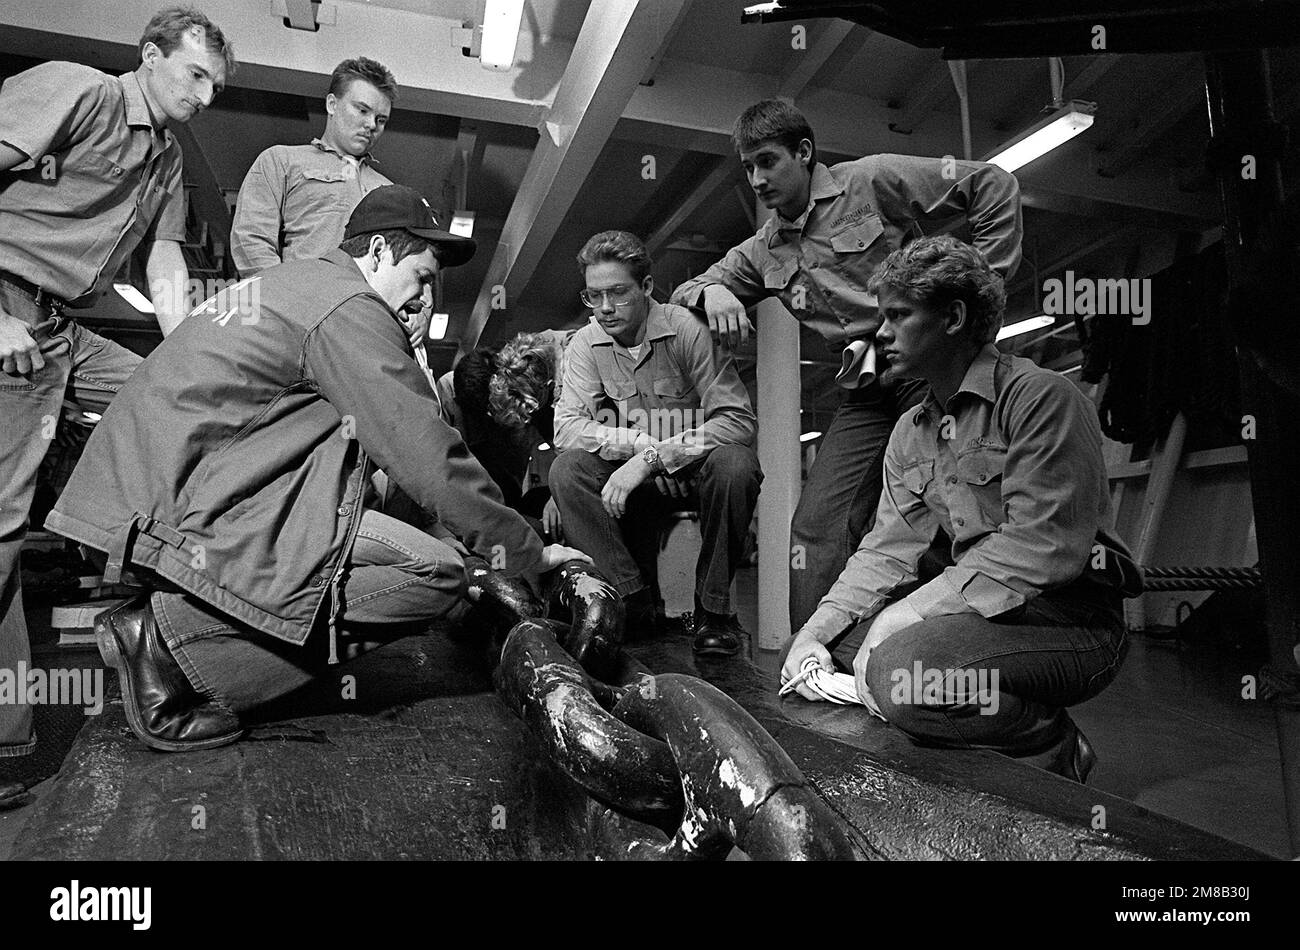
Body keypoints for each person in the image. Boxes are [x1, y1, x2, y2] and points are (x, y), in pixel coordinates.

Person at [44, 185, 587, 754]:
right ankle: (174, 656)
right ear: (377, 251)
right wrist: (527, 552)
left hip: (171, 491)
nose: (426, 296)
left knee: (398, 550)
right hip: (190, 505)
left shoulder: (301, 284)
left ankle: (182, 629)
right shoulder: (349, 309)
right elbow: (425, 454)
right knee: (438, 574)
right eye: (422, 277)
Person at [779, 236, 1142, 783]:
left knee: (901, 672)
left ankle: (1051, 744)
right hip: (983, 611)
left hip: (1072, 620)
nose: (880, 333)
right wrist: (814, 630)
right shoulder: (910, 430)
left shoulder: (1041, 399)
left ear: (952, 317)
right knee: (842, 648)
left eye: (898, 315)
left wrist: (908, 614)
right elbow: (885, 549)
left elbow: (1041, 547)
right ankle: (972, 742)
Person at [669, 99, 1022, 639]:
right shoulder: (761, 252)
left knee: (959, 510)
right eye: (748, 167)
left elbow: (993, 184)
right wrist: (713, 289)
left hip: (928, 361)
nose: (757, 179)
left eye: (767, 161)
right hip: (868, 381)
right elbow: (682, 294)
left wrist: (979, 298)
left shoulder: (870, 179)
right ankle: (812, 659)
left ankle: (974, 648)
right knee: (815, 528)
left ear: (804, 153)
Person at [0, 6, 235, 805]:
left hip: (63, 330)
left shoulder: (166, 160)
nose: (205, 96)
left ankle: (169, 632)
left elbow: (166, 257)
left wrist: (186, 356)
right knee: (0, 528)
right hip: (9, 309)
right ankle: (5, 741)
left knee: (175, 403)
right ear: (150, 55)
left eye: (217, 85)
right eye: (194, 74)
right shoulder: (81, 92)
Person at [552, 230, 762, 657]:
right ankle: (631, 601)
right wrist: (637, 448)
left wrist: (659, 457)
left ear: (646, 287)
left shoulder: (687, 330)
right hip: (643, 478)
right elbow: (566, 429)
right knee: (568, 470)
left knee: (736, 465)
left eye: (618, 293)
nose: (606, 308)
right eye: (594, 296)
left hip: (699, 469)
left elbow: (738, 421)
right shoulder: (585, 344)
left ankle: (714, 613)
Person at [230, 57, 398, 277]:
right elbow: (251, 240)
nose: (371, 125)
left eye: (381, 119)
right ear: (332, 104)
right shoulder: (281, 161)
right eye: (362, 110)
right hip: (298, 302)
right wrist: (287, 298)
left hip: (363, 306)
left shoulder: (388, 190)